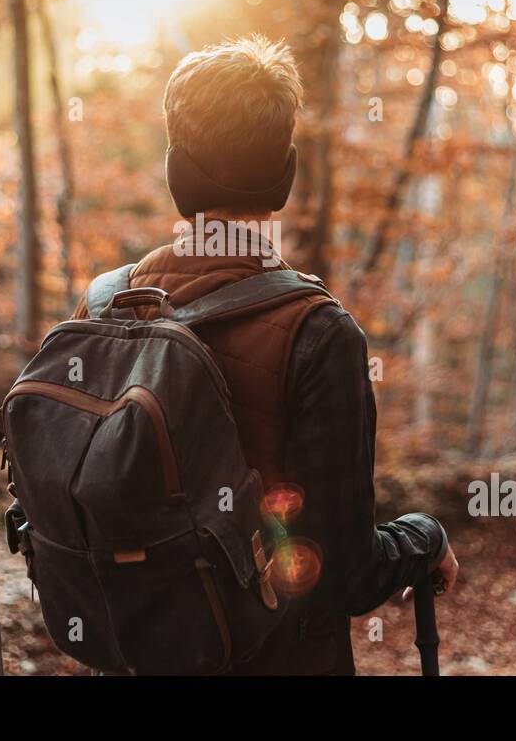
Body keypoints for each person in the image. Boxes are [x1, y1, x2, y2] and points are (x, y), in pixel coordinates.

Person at [71, 35, 459, 674]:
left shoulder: (106, 306)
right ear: (285, 172)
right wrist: (424, 539)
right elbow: (339, 575)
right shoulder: (320, 333)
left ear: (176, 169)